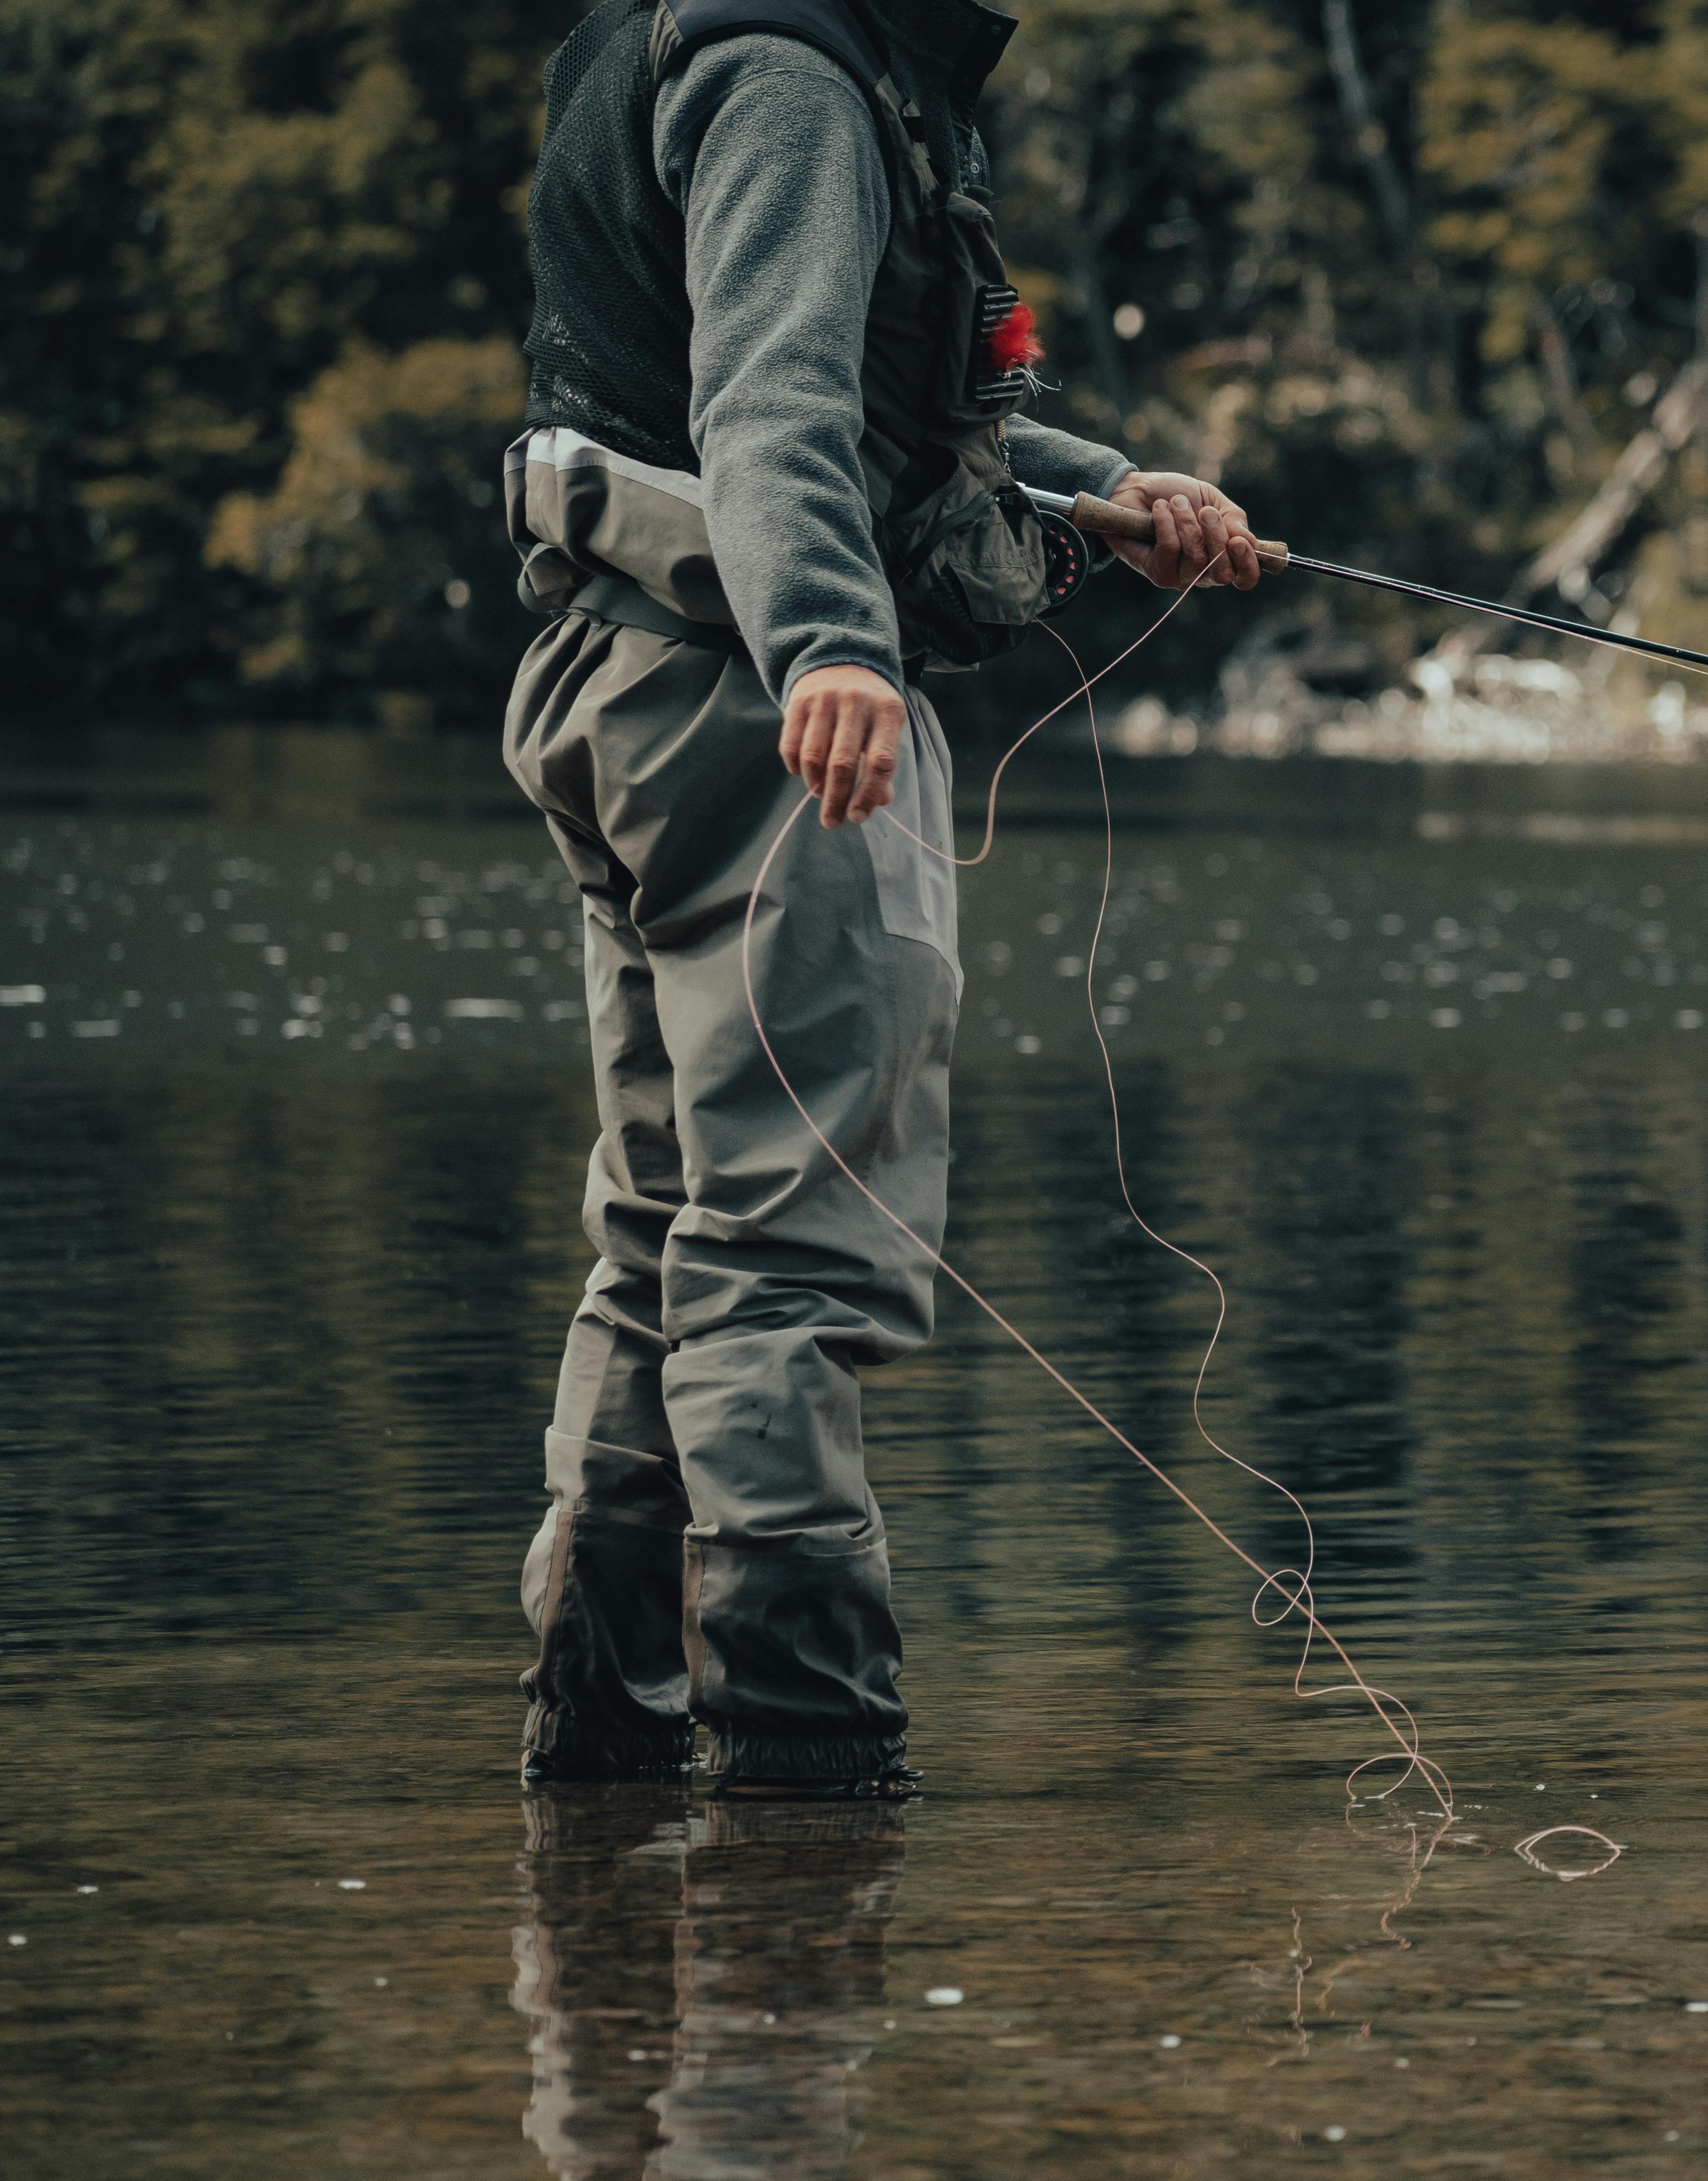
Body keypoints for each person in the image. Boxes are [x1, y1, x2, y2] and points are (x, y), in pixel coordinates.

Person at [500, 0, 1259, 1800]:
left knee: (664, 1237)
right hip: (762, 710)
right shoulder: (794, 80)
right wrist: (832, 646)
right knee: (785, 1255)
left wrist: (1106, 492)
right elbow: (769, 396)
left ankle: (600, 1751)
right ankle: (806, 1777)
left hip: (634, 680)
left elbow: (860, 391)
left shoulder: (715, 38)